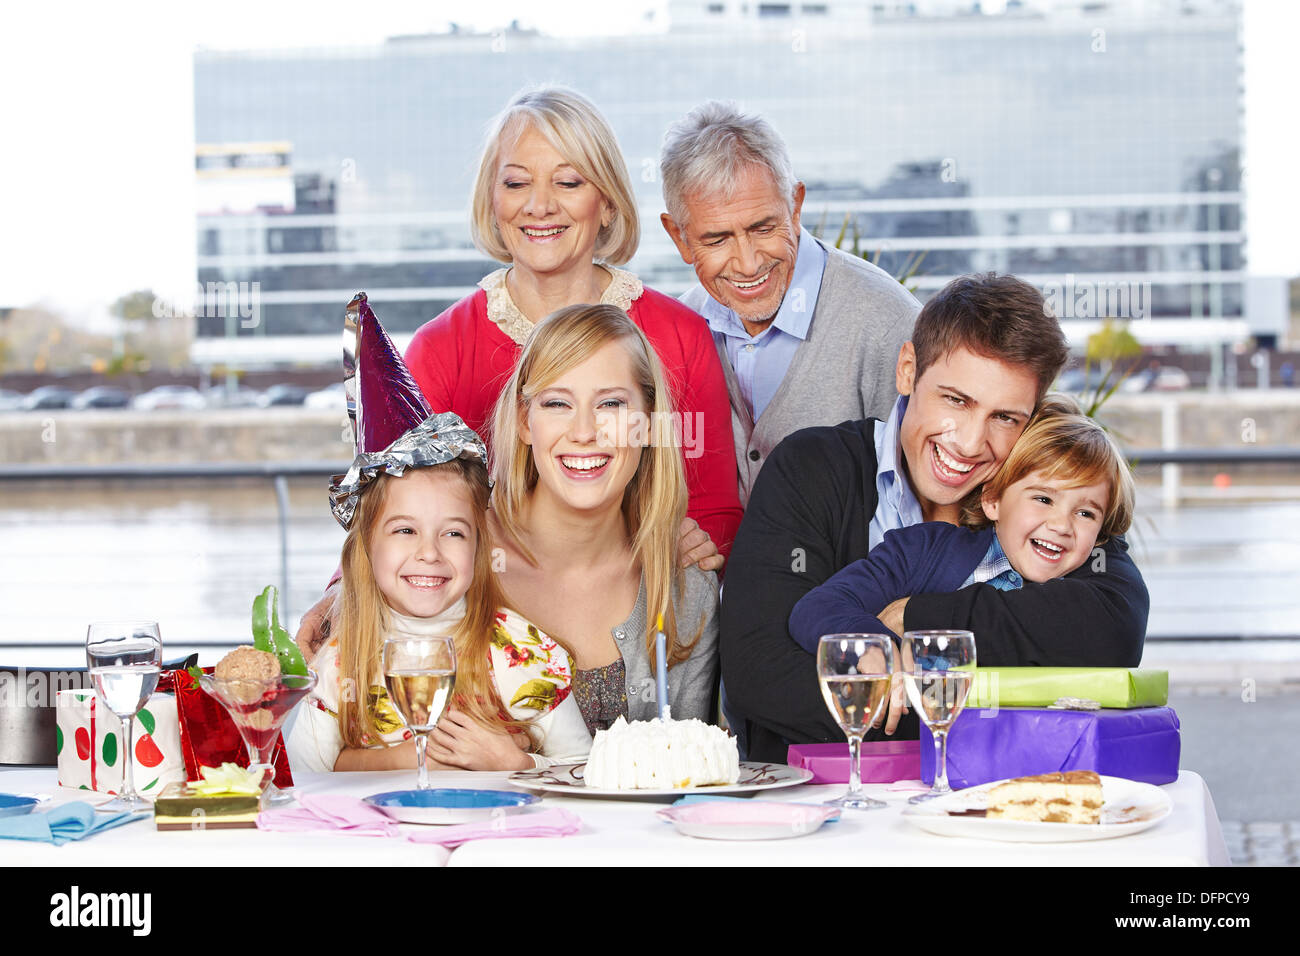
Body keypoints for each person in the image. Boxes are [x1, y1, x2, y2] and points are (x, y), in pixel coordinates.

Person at [721, 273, 1150, 762]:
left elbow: (1109, 630)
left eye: (1005, 417)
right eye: (956, 400)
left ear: (1031, 420)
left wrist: (915, 620)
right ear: (908, 370)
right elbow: (763, 674)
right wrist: (972, 721)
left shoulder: (1041, 497)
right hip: (822, 801)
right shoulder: (811, 469)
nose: (968, 443)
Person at [405, 86, 740, 563]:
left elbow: (713, 509)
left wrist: (693, 549)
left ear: (607, 203)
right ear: (492, 200)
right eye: (517, 183)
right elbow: (394, 512)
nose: (539, 206)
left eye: (568, 182)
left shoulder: (680, 338)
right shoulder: (440, 350)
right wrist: (339, 592)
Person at [288, 297, 590, 773]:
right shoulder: (342, 661)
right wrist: (406, 759)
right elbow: (303, 778)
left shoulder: (521, 650)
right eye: (405, 530)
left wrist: (513, 762)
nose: (428, 554)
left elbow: (583, 771)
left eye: (452, 533)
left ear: (478, 544)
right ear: (366, 546)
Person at [659, 101, 919, 504]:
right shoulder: (673, 332)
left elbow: (925, 506)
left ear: (795, 207)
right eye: (717, 239)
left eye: (763, 228)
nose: (748, 264)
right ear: (679, 237)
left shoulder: (887, 322)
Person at [488, 304, 720, 733]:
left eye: (610, 403)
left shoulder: (685, 588)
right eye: (557, 402)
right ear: (525, 422)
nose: (583, 432)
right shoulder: (458, 561)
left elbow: (687, 777)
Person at [789, 395, 1137, 652]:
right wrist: (875, 651)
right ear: (993, 499)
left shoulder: (1091, 579)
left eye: (1086, 513)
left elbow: (1117, 632)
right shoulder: (923, 550)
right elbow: (819, 607)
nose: (1062, 525)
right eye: (1043, 499)